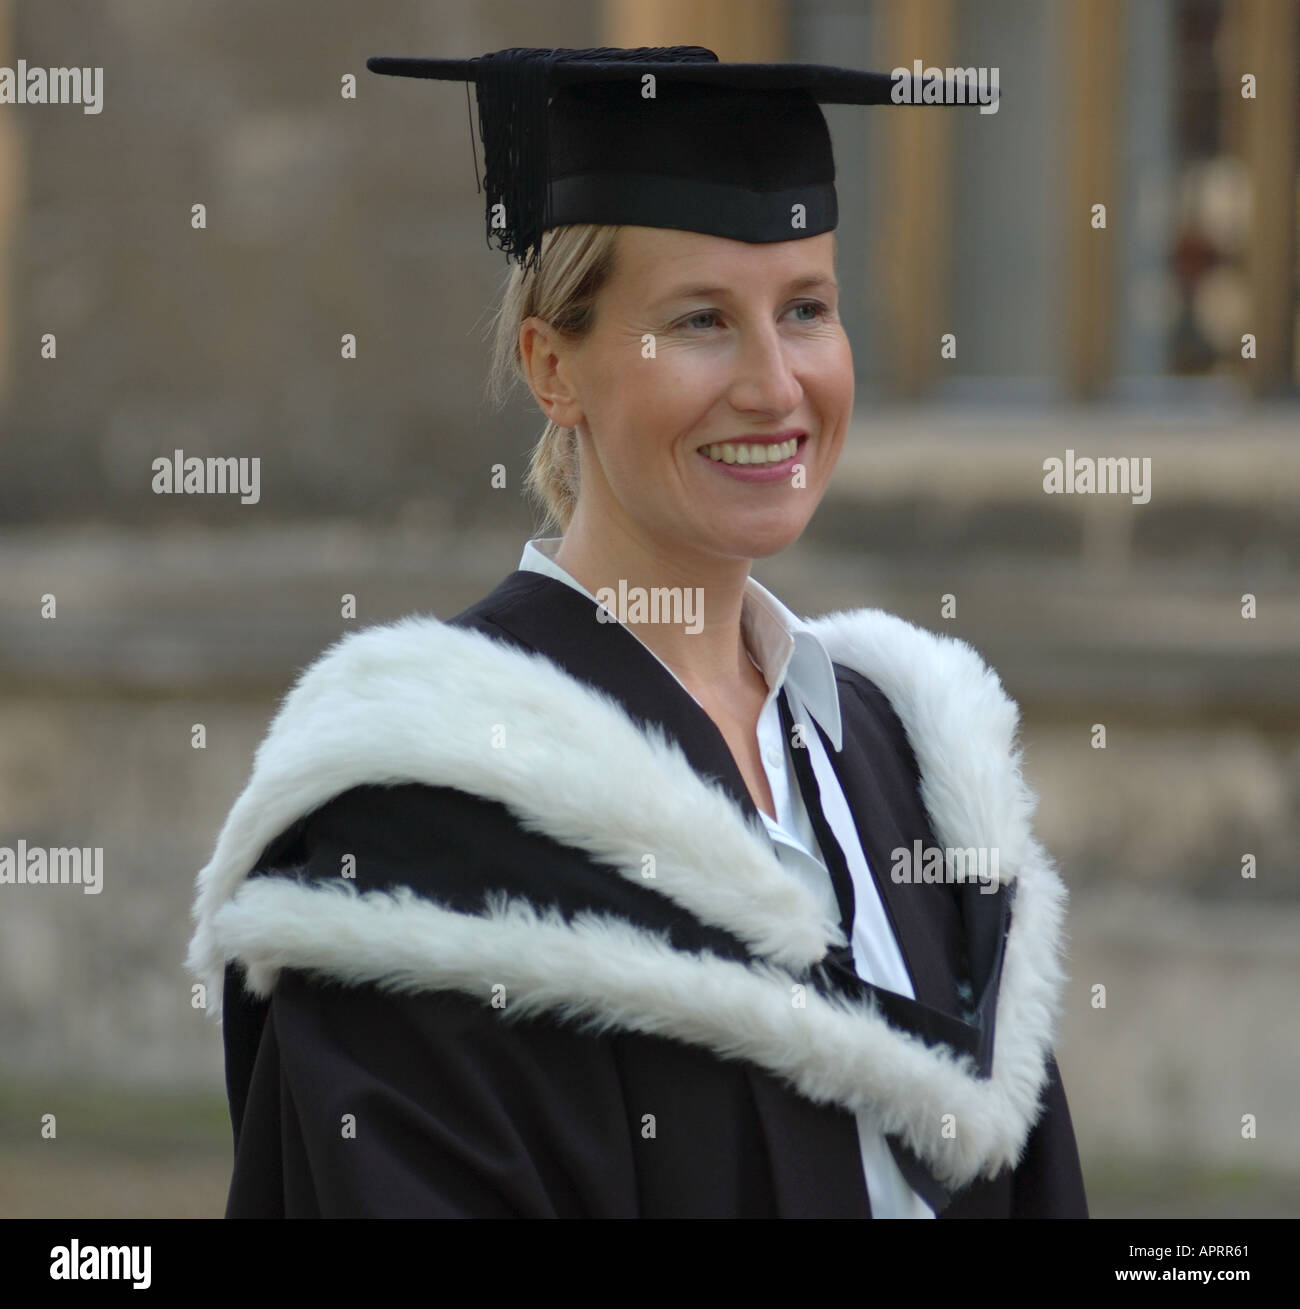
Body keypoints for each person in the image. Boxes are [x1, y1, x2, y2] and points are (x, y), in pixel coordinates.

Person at [187, 45, 1088, 1218]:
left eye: (806, 309)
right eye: (701, 320)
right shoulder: (427, 815)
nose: (775, 385)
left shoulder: (905, 761)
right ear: (553, 367)